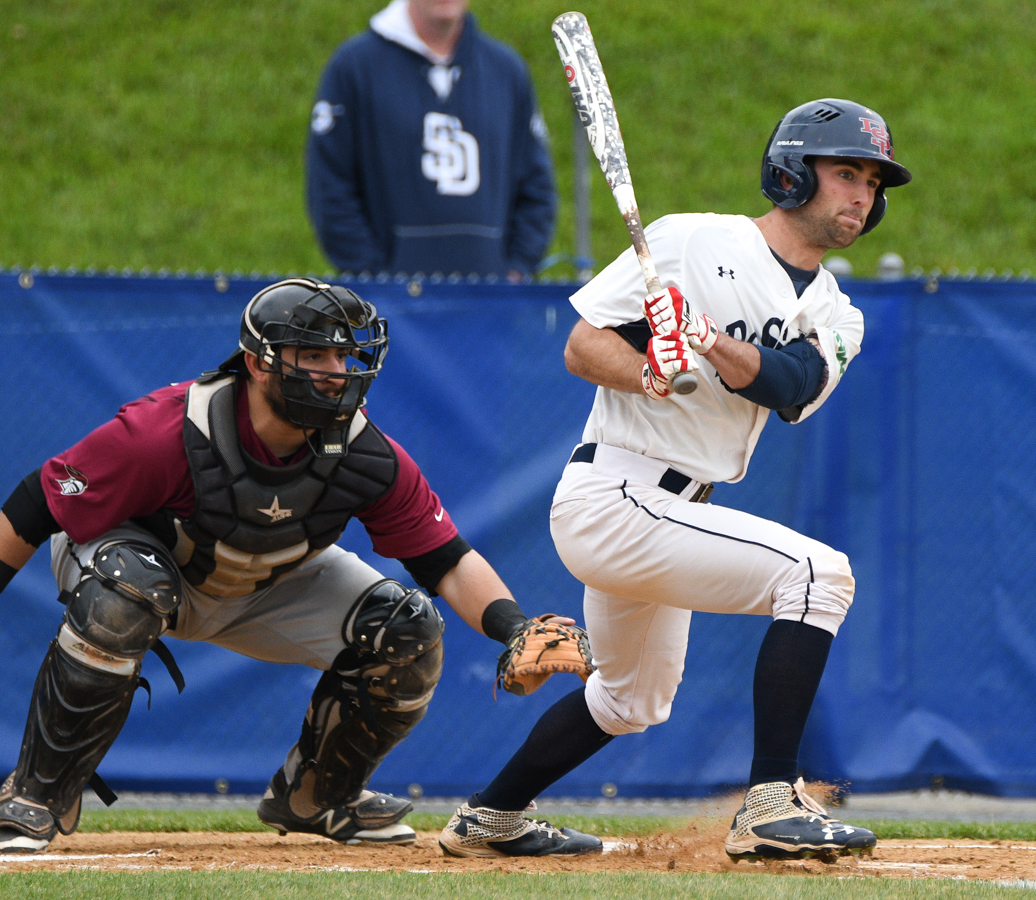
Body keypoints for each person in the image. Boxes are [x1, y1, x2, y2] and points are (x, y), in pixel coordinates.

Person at [436, 98, 913, 861]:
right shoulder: (692, 241)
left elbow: (790, 383)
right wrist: (649, 375)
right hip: (616, 494)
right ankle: (768, 804)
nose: (861, 194)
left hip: (676, 508)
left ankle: (491, 818)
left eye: (872, 182)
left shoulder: (838, 313)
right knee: (819, 576)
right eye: (845, 173)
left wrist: (706, 342)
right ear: (791, 173)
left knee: (632, 700)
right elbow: (585, 348)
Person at [0, 279, 577, 852]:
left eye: (343, 353)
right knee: (126, 593)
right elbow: (35, 504)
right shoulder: (166, 430)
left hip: (258, 582)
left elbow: (447, 560)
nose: (335, 369)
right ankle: (35, 796)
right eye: (313, 354)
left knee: (410, 628)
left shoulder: (367, 453)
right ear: (257, 362)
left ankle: (320, 798)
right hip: (142, 565)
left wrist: (515, 628)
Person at [306, 0, 556, 279]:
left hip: (491, 306)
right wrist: (373, 276)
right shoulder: (354, 68)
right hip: (390, 308)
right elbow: (330, 186)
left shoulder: (507, 71)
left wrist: (516, 271)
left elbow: (536, 187)